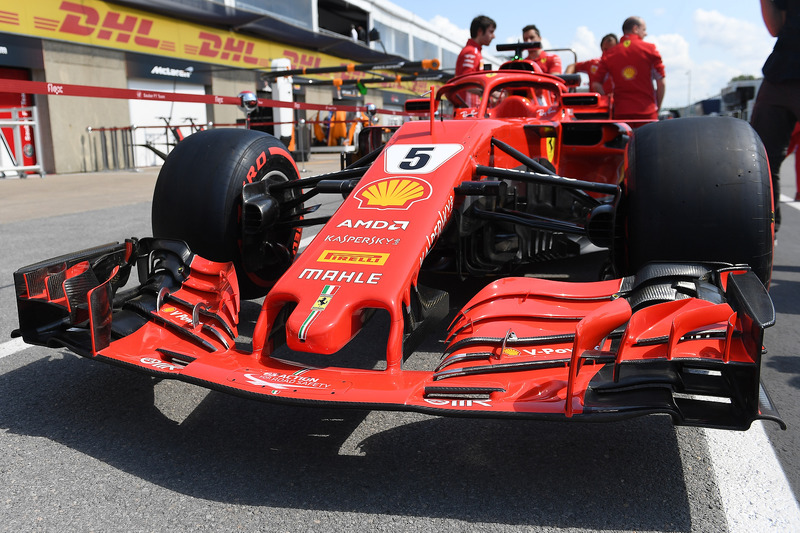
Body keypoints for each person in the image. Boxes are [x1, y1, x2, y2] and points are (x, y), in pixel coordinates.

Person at [750, 0, 800, 231]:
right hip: (783, 70)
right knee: (763, 158)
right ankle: (770, 230)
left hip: (784, 71)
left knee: (766, 159)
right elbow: (775, 27)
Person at [592, 16, 665, 121]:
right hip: (647, 113)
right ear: (635, 29)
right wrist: (657, 107)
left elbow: (596, 84)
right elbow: (661, 82)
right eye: (644, 30)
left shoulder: (610, 54)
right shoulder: (650, 49)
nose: (646, 34)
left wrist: (610, 102)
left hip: (621, 113)